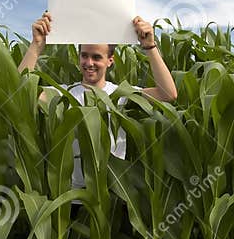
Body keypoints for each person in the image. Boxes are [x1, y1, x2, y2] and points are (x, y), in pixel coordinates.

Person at [17, 10, 177, 190]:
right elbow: (20, 92)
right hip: (72, 199)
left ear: (110, 60)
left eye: (96, 57)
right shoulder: (62, 95)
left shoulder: (122, 94)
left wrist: (150, 46)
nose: (89, 63)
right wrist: (36, 45)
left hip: (115, 198)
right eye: (84, 55)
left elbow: (168, 94)